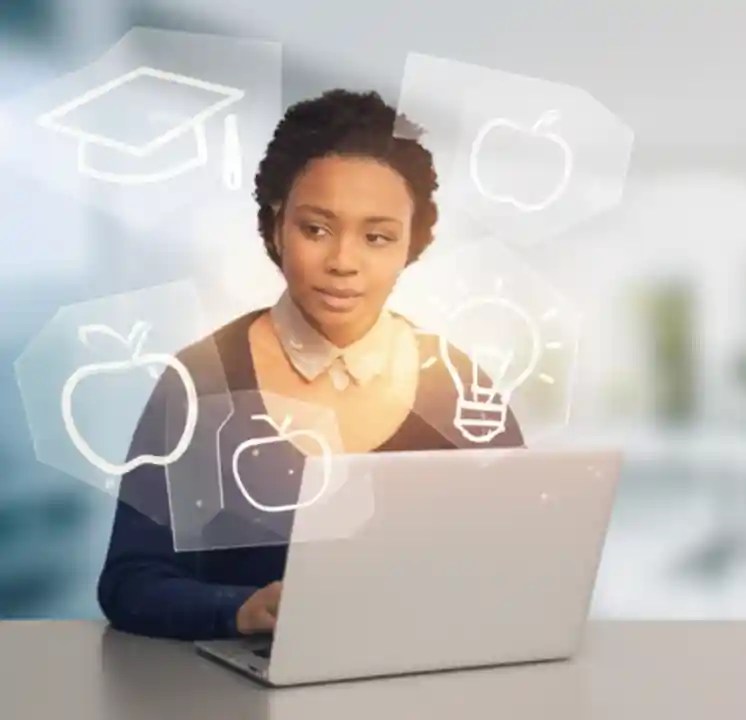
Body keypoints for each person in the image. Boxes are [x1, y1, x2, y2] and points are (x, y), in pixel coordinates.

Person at [98, 90, 521, 640]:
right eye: (316, 229)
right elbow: (130, 581)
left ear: (410, 245)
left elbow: (519, 564)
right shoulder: (201, 384)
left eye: (377, 237)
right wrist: (240, 608)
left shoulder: (460, 386)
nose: (344, 262)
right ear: (276, 227)